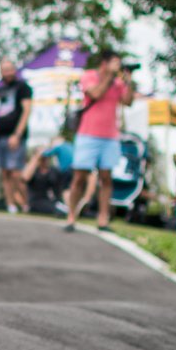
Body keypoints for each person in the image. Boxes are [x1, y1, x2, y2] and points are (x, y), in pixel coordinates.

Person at [62, 49, 136, 231]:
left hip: (110, 137)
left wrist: (129, 82)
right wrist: (109, 78)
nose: (118, 66)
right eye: (115, 63)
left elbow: (128, 101)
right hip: (88, 134)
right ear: (105, 63)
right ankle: (71, 216)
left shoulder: (119, 83)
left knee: (106, 178)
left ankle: (103, 219)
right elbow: (95, 94)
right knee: (79, 177)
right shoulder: (89, 76)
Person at [0, 58, 34, 212]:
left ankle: (26, 204)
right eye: (4, 70)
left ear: (14, 70)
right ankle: (10, 205)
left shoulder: (23, 87)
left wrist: (17, 134)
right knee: (4, 172)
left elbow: (26, 111)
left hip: (15, 136)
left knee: (16, 172)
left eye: (9, 69)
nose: (7, 73)